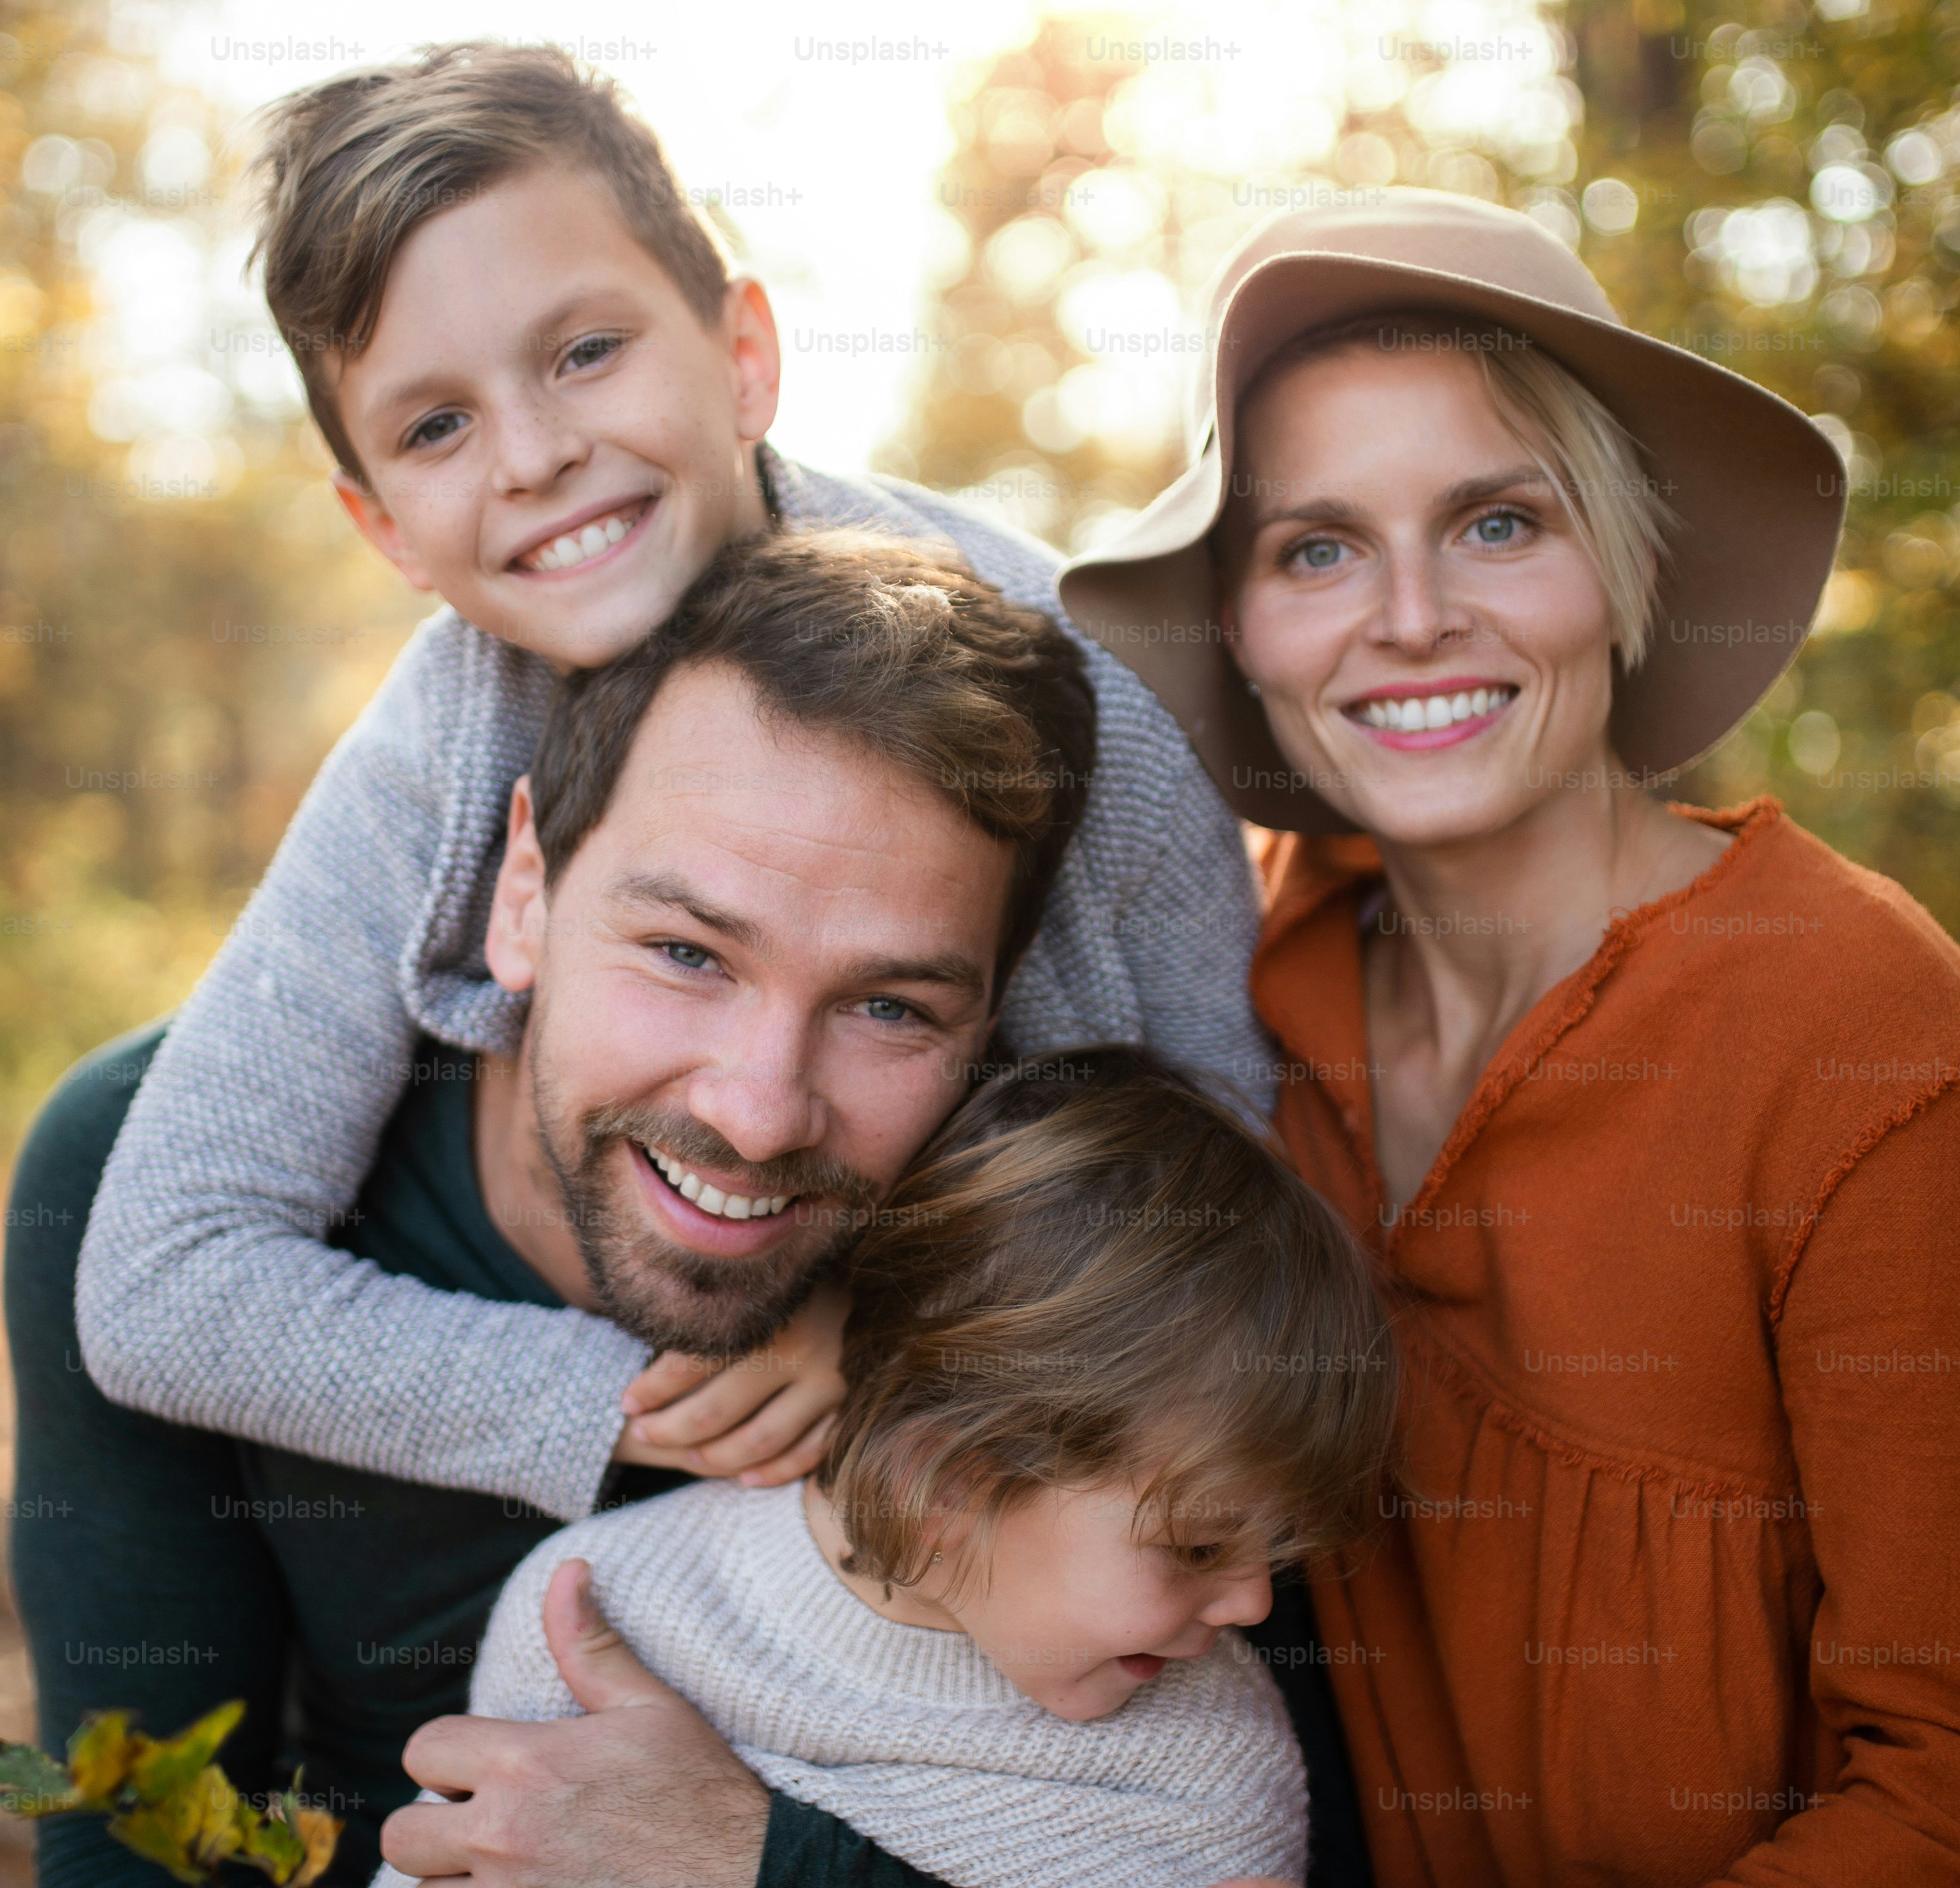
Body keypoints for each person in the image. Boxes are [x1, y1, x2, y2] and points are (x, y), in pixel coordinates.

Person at [5, 532, 1383, 1888]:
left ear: (992, 1024)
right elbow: (139, 1871)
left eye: (891, 1009)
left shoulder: (1061, 1302)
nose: (761, 1111)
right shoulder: (154, 1179)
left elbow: (1294, 1886)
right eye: (685, 954)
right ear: (525, 889)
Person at [1058, 191, 1960, 1888]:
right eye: (1314, 548)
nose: (1407, 618)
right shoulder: (1247, 979)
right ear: (1240, 628)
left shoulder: (1875, 1055)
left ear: (1621, 573)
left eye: (1493, 522)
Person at [67, 38, 1270, 1531]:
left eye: (584, 352)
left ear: (743, 354)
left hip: (1023, 1466)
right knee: (89, 1119)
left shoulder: (1083, 696)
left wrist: (892, 1332)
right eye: (436, 425)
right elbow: (162, 1276)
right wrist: (626, 1401)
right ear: (383, 528)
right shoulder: (438, 748)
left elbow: (1225, 1179)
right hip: (638, 1401)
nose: (537, 454)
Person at [354, 1046, 1398, 1888]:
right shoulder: (612, 1610)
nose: (1255, 1607)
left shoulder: (1210, 1753)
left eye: (1277, 1549)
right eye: (1198, 1547)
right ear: (945, 1480)